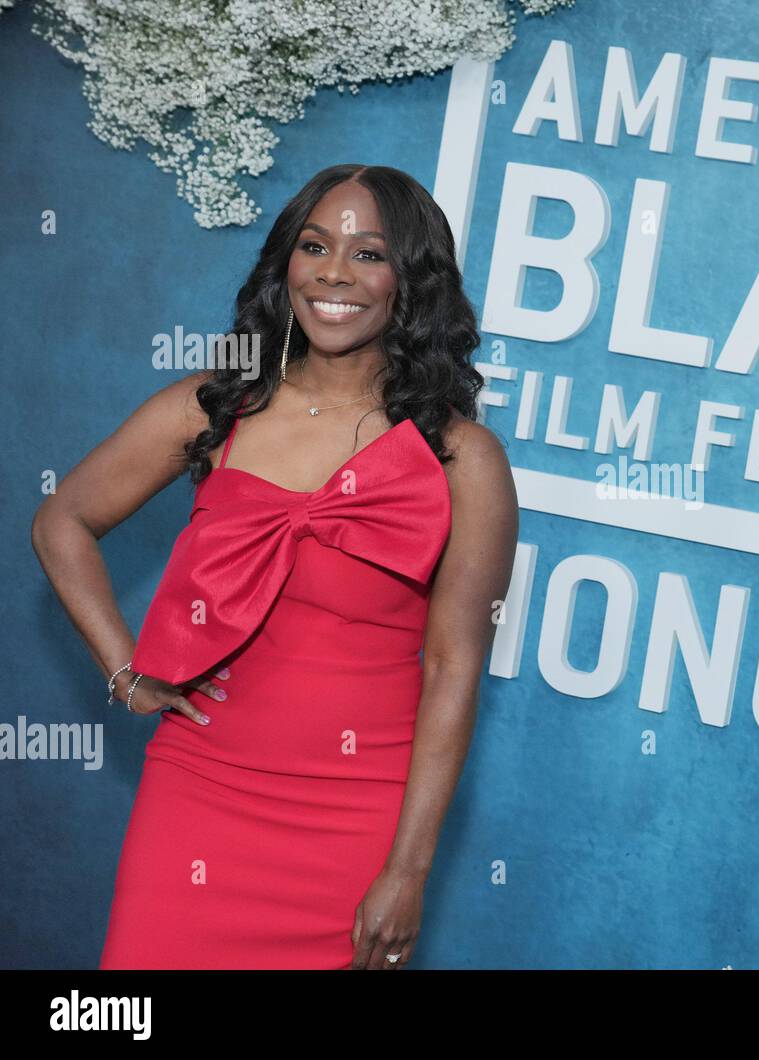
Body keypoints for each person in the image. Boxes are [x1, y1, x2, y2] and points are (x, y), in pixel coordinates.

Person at [30, 164, 519, 969]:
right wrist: (126, 669)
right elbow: (63, 519)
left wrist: (409, 867)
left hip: (356, 821)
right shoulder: (215, 407)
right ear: (284, 263)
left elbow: (453, 667)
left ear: (412, 279)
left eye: (369, 253)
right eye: (315, 245)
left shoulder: (462, 460)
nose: (333, 272)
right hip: (200, 790)